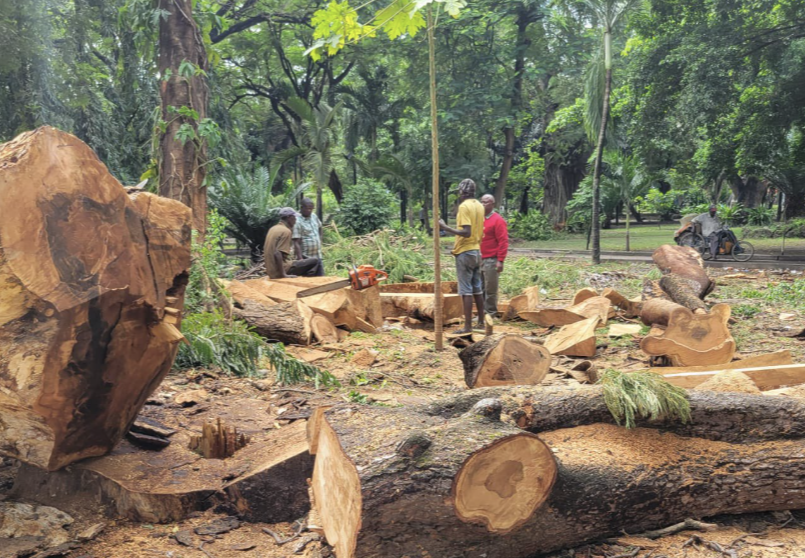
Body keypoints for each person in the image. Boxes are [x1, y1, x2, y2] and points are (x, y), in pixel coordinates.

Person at [439, 179, 485, 334]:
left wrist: (445, 227)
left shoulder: (464, 207)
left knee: (466, 290)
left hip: (465, 251)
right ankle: (481, 321)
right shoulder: (479, 205)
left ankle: (467, 327)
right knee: (477, 288)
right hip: (477, 251)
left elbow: (466, 232)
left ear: (462, 192)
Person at [264, 207, 324, 279]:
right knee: (316, 261)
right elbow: (277, 253)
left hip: (271, 271)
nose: (295, 220)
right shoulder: (286, 231)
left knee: (303, 262)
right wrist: (283, 275)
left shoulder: (273, 228)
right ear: (289, 217)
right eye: (294, 217)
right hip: (278, 272)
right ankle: (318, 284)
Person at [479, 194, 508, 317]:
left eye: (486, 202)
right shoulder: (479, 218)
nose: (483, 204)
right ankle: (481, 312)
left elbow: (503, 241)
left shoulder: (498, 220)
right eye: (482, 202)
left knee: (490, 288)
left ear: (493, 204)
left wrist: (500, 260)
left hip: (492, 259)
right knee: (480, 288)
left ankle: (490, 313)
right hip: (479, 258)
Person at [292, 198, 324, 276]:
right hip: (306, 258)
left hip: (318, 255)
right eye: (308, 208)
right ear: (302, 207)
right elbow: (296, 242)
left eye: (311, 208)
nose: (310, 210)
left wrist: (319, 239)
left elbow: (320, 227)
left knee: (321, 279)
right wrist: (300, 260)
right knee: (309, 280)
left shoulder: (314, 216)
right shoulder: (297, 221)